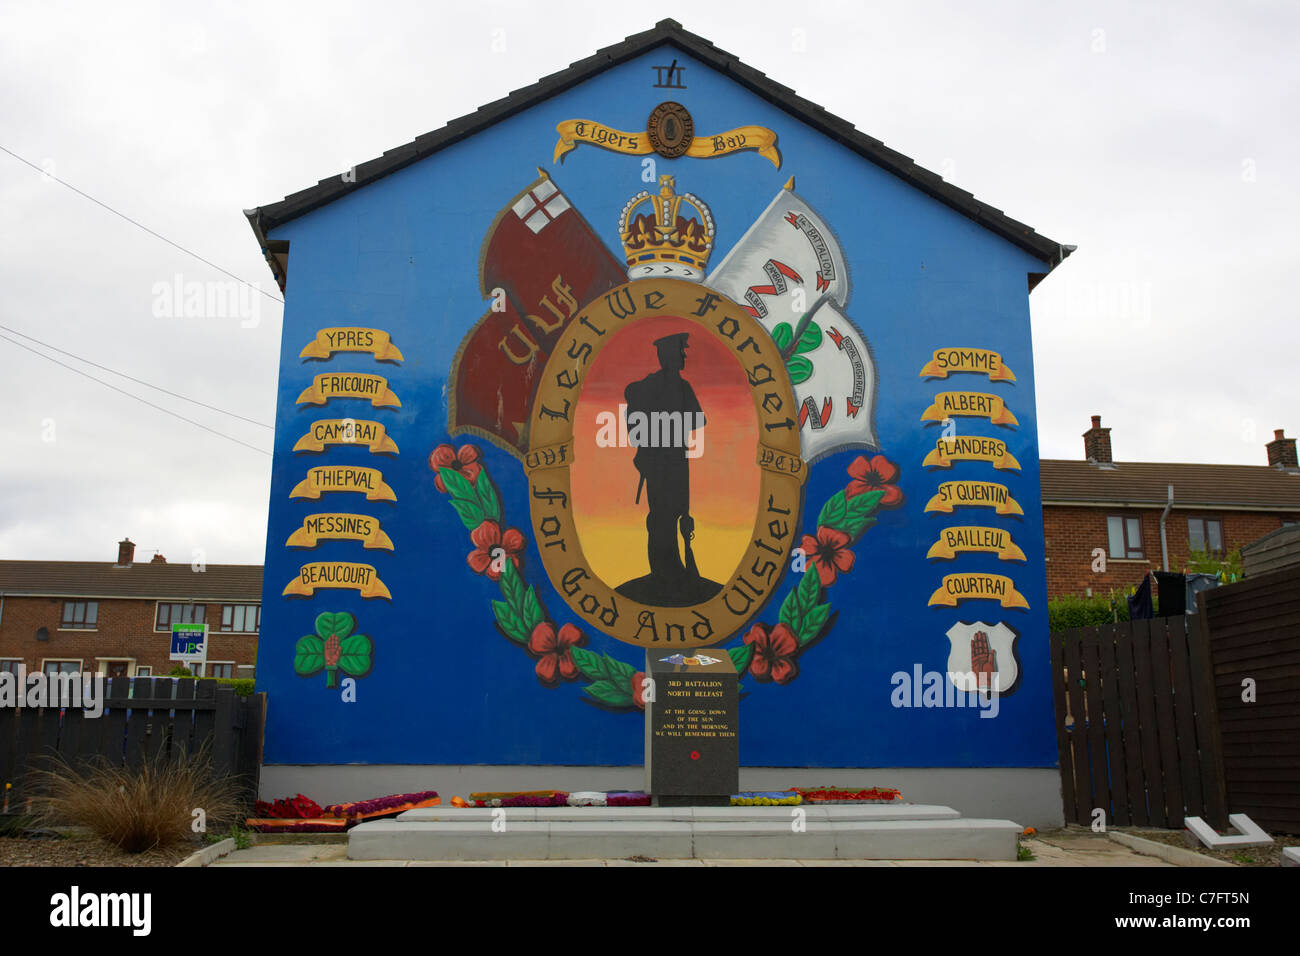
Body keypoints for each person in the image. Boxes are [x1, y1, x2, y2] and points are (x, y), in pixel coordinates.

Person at [617, 332, 720, 606]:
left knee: (673, 513)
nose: (685, 356)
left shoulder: (675, 387)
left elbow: (696, 421)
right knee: (663, 516)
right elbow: (689, 422)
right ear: (671, 355)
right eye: (681, 351)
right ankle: (665, 572)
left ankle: (671, 569)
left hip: (674, 460)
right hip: (663, 462)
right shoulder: (659, 387)